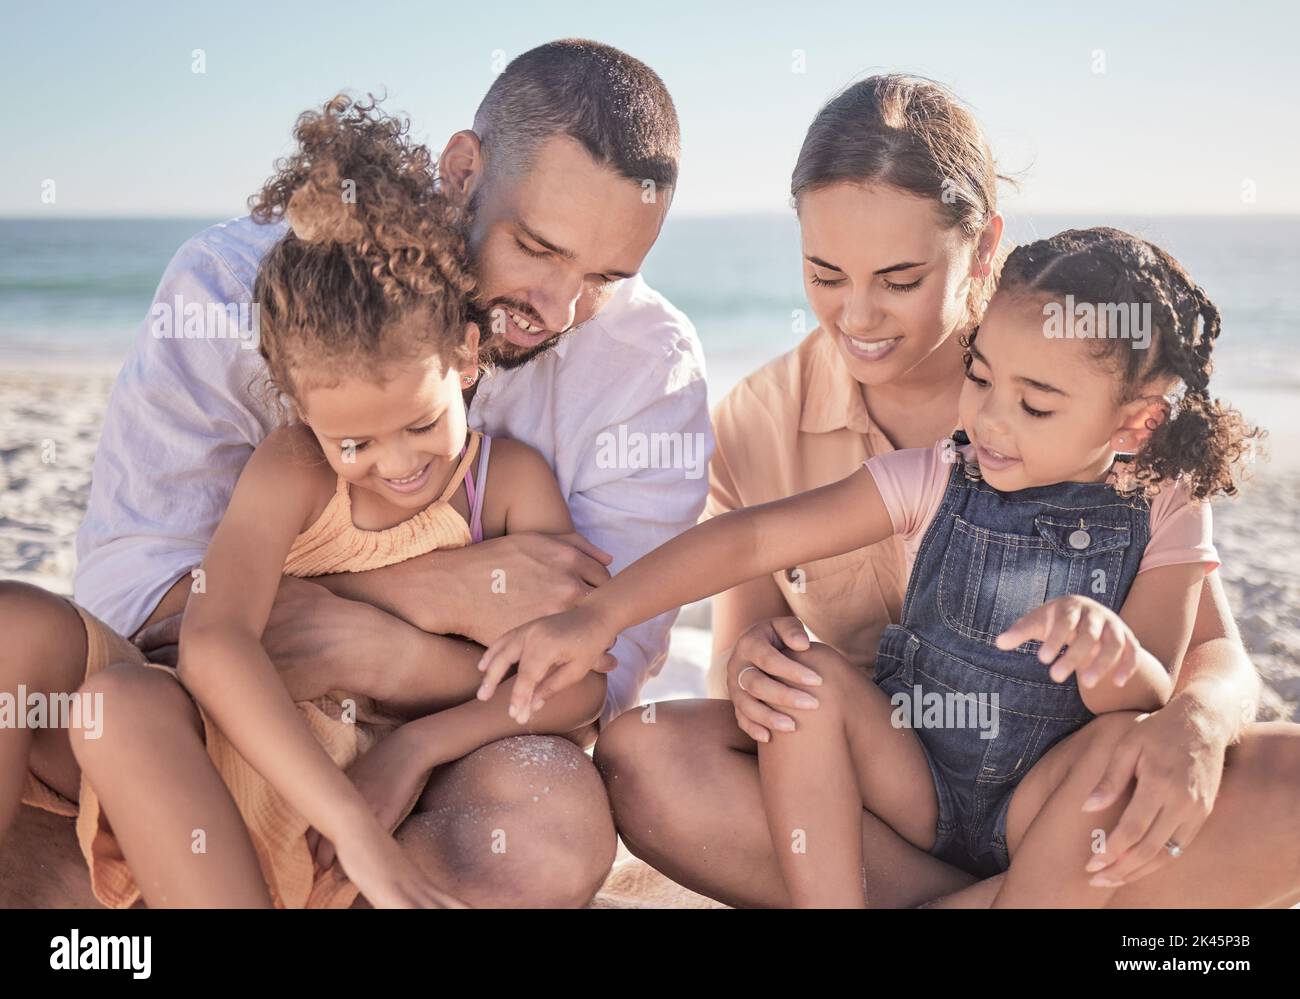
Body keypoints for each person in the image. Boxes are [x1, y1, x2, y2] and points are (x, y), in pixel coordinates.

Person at [2, 38, 709, 908]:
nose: (557, 312)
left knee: (551, 821)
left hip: (420, 770)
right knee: (30, 651)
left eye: (605, 277)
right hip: (194, 739)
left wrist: (387, 672)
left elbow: (596, 678)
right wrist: (423, 601)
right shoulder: (240, 289)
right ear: (461, 168)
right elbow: (140, 602)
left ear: (461, 363)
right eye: (537, 247)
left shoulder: (646, 370)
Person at [592, 76, 1300, 908]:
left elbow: (1192, 666)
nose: (857, 315)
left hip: (1066, 807)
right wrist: (750, 666)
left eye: (898, 278)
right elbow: (749, 648)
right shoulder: (765, 425)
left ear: (985, 245)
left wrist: (1197, 721)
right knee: (645, 754)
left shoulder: (1097, 386)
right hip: (888, 799)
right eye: (824, 273)